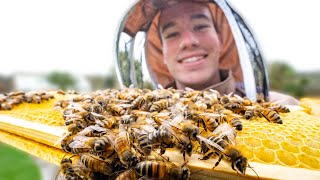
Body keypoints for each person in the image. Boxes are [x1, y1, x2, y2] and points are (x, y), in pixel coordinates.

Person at [123, 0, 299, 105]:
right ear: (162, 54)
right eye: (172, 34)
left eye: (200, 26)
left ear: (221, 40)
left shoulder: (274, 104)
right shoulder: (141, 118)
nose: (189, 41)